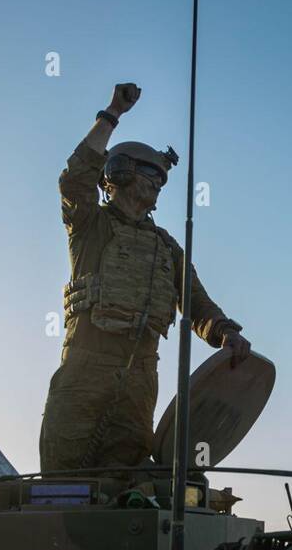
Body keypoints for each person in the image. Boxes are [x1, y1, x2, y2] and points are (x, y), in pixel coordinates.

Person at [39, 83, 250, 474]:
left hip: (141, 379)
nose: (157, 183)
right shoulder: (91, 226)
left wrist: (225, 333)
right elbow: (74, 180)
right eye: (148, 172)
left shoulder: (167, 248)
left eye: (161, 176)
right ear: (118, 174)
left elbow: (197, 304)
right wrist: (112, 114)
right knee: (63, 482)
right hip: (86, 367)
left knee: (127, 484)